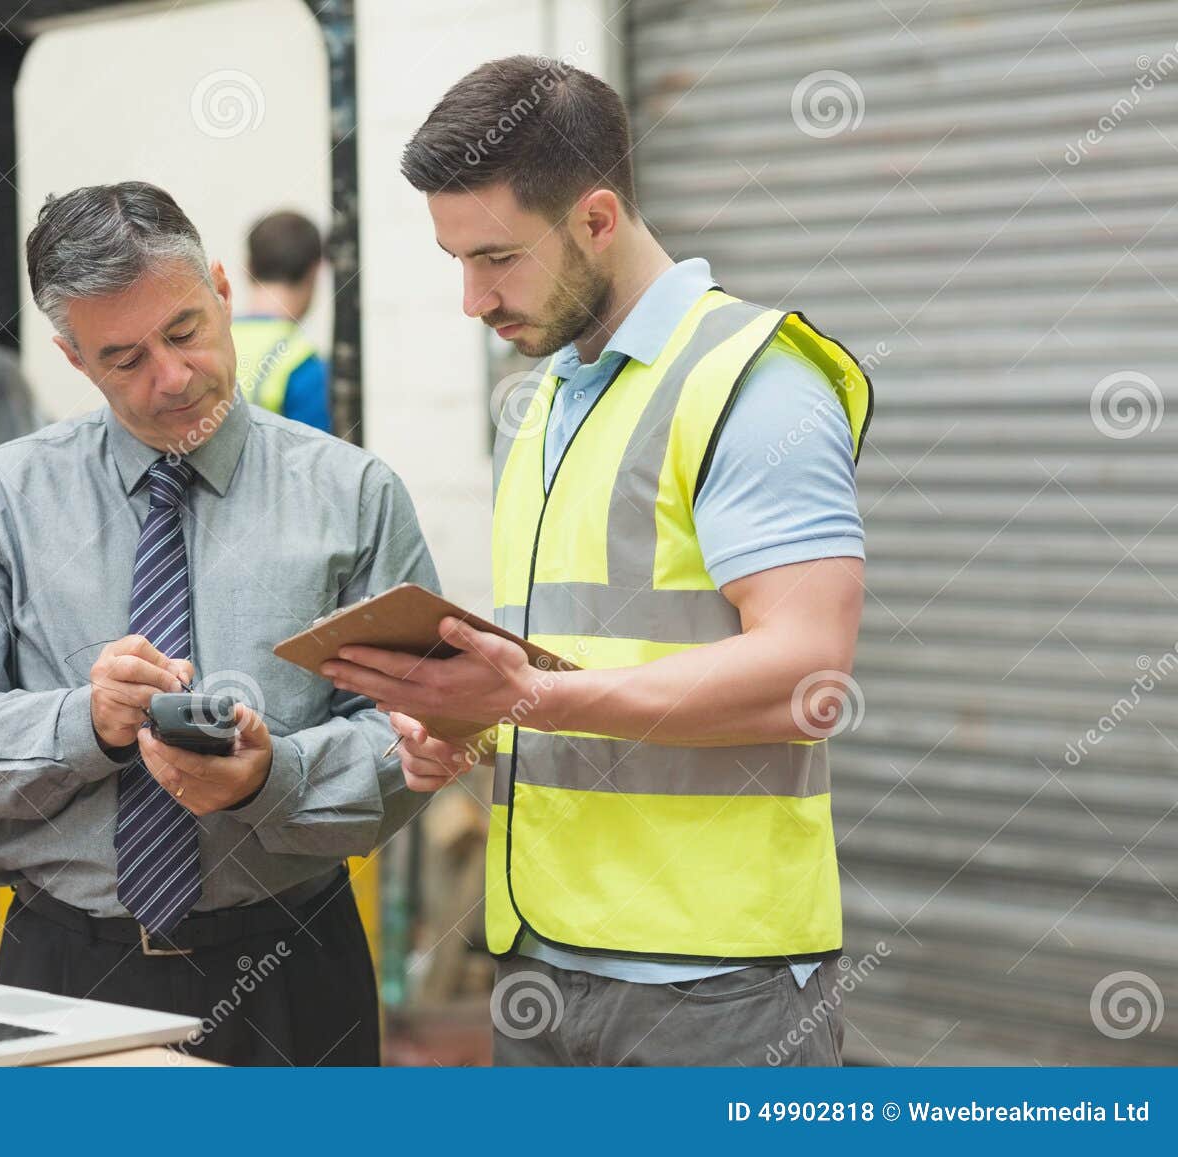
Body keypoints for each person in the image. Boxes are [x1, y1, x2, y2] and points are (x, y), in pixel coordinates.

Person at [322, 57, 873, 1067]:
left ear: (598, 219)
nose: (470, 300)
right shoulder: (540, 402)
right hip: (541, 961)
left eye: (496, 258)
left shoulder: (755, 381)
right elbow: (579, 660)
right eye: (455, 261)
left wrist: (523, 698)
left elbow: (805, 673)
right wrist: (463, 721)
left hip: (713, 983)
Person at [0, 182, 437, 1066]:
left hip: (294, 969)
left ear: (221, 289)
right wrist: (84, 723)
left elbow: (418, 731)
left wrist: (277, 775)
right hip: (63, 977)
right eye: (126, 357)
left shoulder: (354, 497)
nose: (172, 377)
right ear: (74, 359)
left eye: (185, 331)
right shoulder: (0, 502)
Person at [231, 210, 331, 431]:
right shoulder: (305, 364)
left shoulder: (207, 340)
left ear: (248, 266)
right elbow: (316, 460)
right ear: (315, 271)